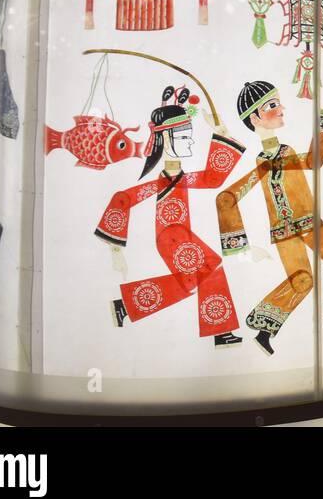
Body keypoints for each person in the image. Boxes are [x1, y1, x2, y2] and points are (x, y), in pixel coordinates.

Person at [216, 81, 323, 357]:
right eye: (273, 106)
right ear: (256, 118)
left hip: (310, 222)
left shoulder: (287, 152)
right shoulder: (262, 162)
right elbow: (226, 198)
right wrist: (242, 248)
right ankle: (264, 330)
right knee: (302, 280)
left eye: (279, 103)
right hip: (284, 231)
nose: (281, 109)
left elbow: (313, 162)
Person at [96, 85, 245, 349]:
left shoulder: (182, 178)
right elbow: (124, 198)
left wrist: (222, 134)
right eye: (184, 136)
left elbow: (213, 178)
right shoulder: (163, 182)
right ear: (164, 139)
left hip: (179, 237)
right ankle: (221, 332)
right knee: (212, 268)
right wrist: (115, 248)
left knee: (188, 284)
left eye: (190, 135)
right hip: (171, 237)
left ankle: (126, 307)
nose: (190, 141)